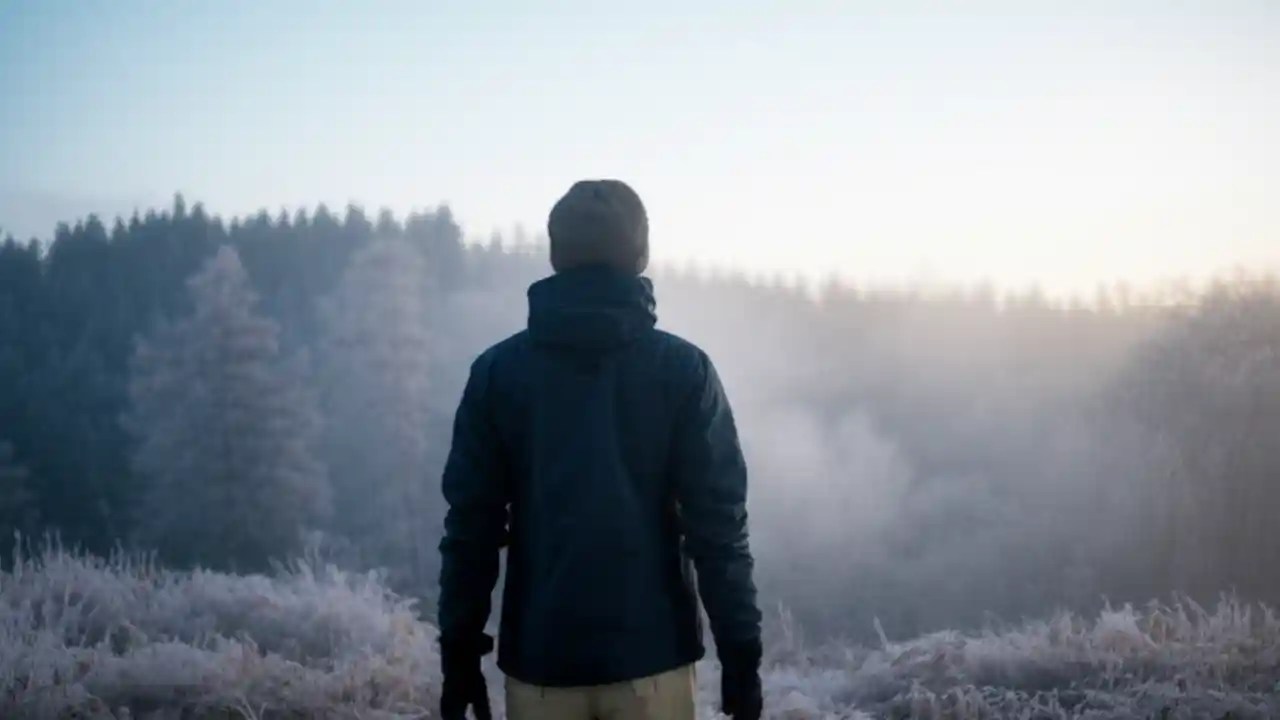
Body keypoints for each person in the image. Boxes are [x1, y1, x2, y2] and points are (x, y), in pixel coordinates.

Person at [437, 179, 763, 720]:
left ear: (555, 254)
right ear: (640, 254)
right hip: (653, 666)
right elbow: (719, 528)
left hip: (541, 667)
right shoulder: (685, 371)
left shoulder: (497, 374)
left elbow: (471, 530)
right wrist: (741, 659)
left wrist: (459, 655)